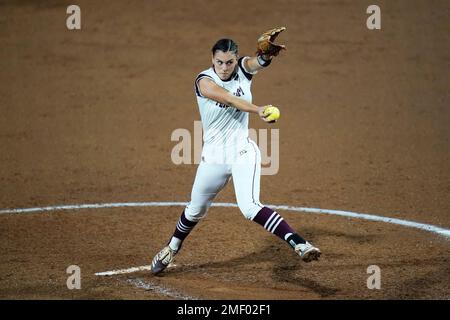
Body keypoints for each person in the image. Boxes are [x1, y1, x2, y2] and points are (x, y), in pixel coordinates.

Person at [151, 27, 320, 275]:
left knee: (250, 206)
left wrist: (266, 57)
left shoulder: (241, 69)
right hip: (214, 157)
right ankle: (171, 248)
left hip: (242, 151)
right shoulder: (204, 81)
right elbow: (229, 99)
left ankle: (300, 244)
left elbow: (254, 63)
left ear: (234, 59)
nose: (224, 67)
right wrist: (258, 109)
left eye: (229, 62)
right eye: (219, 62)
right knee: (195, 209)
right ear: (212, 60)